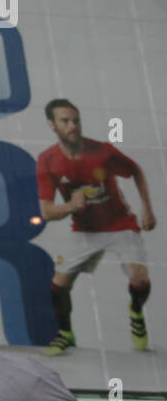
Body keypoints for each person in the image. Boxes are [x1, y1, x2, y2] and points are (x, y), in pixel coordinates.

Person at [37, 98, 155, 355]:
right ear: (52, 125)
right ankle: (66, 333)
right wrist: (70, 206)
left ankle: (135, 312)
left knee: (139, 277)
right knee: (59, 284)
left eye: (75, 120)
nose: (72, 126)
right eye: (65, 121)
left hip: (120, 225)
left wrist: (147, 209)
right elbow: (47, 212)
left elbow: (136, 171)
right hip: (84, 231)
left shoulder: (103, 152)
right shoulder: (47, 161)